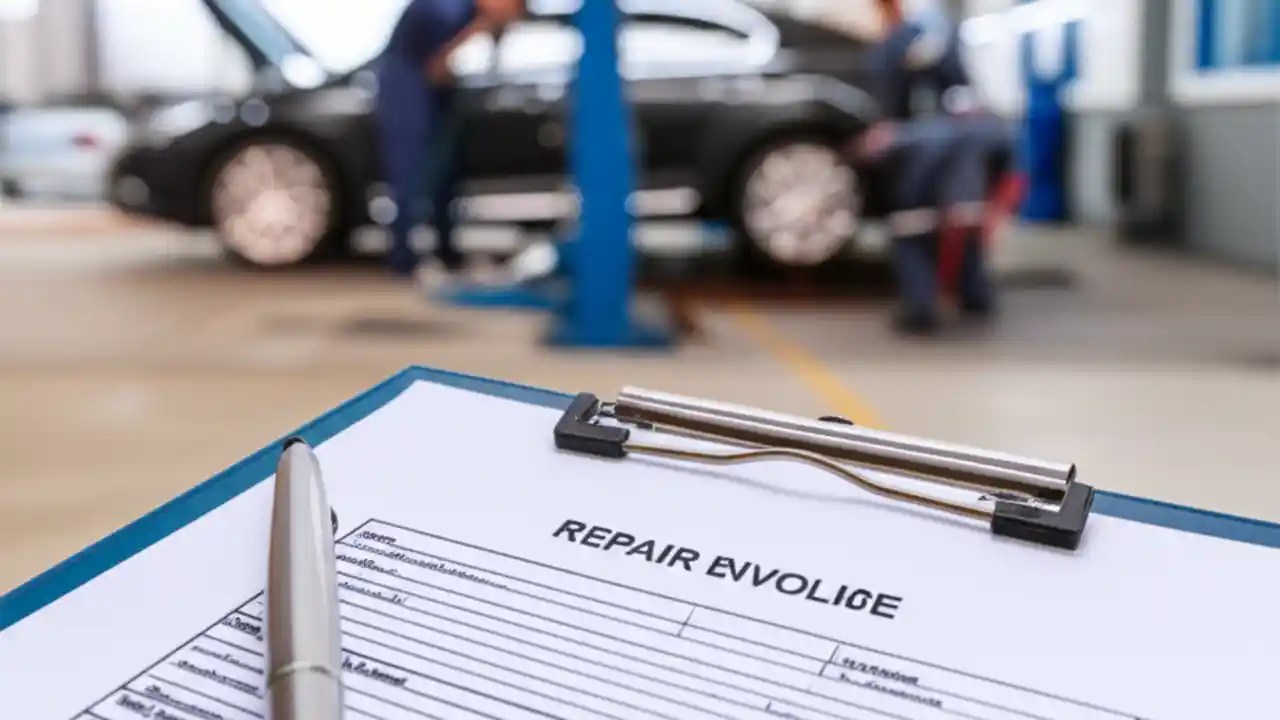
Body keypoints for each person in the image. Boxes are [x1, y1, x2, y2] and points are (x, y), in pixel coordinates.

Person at [857, 0, 1009, 334]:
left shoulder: (892, 49)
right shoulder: (943, 39)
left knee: (913, 233)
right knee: (963, 229)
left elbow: (884, 120)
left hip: (922, 168)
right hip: (959, 167)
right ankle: (975, 297)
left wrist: (883, 140)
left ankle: (921, 308)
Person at [375, 0, 526, 277]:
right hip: (407, 85)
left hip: (436, 86)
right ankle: (404, 257)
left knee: (447, 175)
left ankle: (447, 251)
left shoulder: (470, 12)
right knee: (412, 170)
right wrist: (480, 29)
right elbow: (436, 65)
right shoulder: (446, 8)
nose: (513, 15)